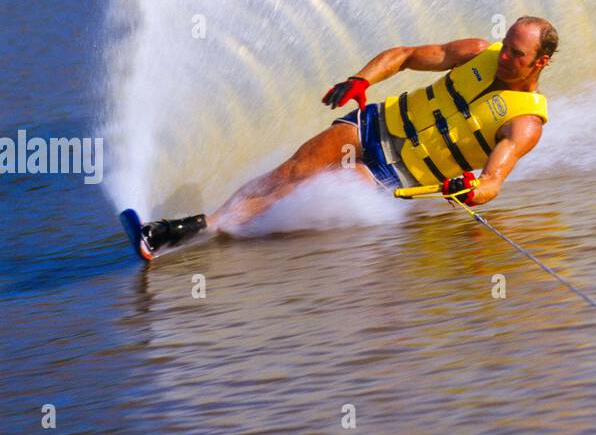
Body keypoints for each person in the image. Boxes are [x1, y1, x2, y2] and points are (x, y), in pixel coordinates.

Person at [126, 16, 556, 261]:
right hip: (372, 125)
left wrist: (471, 189)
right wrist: (360, 79)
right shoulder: (479, 51)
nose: (504, 58)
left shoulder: (525, 123)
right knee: (292, 172)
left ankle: (180, 231)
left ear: (541, 61)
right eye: (506, 47)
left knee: (305, 192)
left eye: (517, 55)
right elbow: (405, 56)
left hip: (395, 174)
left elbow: (492, 182)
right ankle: (208, 224)